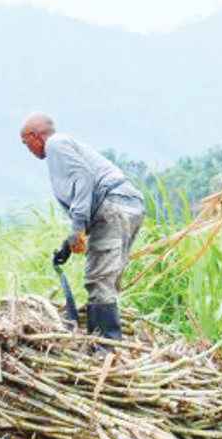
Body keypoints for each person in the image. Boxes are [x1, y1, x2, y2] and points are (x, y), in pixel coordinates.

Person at [19, 113, 145, 340]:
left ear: (35, 136)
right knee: (106, 279)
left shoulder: (55, 145)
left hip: (113, 205)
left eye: (25, 143)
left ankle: (106, 345)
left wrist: (77, 227)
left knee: (98, 278)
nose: (27, 149)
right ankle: (101, 340)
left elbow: (83, 178)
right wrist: (68, 245)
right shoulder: (64, 149)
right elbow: (85, 197)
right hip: (126, 206)